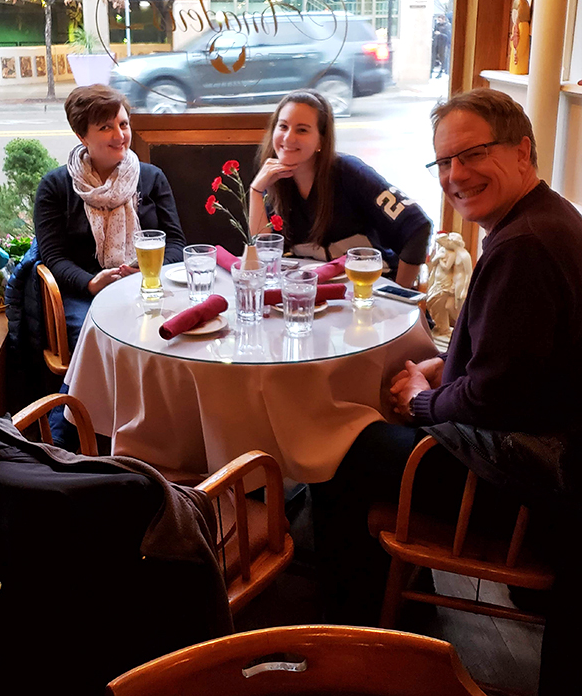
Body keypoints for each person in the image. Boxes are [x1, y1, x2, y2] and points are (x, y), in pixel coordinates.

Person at [311, 88, 582, 695]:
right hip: (546, 459)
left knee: (340, 452)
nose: (456, 175)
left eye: (473, 155)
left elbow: (495, 398)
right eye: (444, 163)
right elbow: (512, 357)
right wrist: (440, 363)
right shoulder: (544, 219)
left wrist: (421, 397)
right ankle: (411, 611)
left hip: (528, 487)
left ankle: (363, 646)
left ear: (522, 151)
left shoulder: (525, 247)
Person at [34, 83, 186, 351]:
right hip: (85, 294)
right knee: (99, 338)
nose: (120, 135)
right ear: (82, 135)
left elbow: (175, 242)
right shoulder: (55, 186)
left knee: (175, 334)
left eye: (124, 124)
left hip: (149, 286)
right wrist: (90, 283)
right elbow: (54, 257)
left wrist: (148, 271)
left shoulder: (151, 178)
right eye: (106, 127)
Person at [249, 90, 432, 288]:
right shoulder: (273, 180)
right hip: (316, 294)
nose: (288, 138)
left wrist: (400, 295)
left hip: (370, 289)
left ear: (321, 140)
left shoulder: (351, 173)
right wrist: (256, 192)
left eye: (302, 130)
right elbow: (263, 258)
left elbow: (418, 226)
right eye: (283, 126)